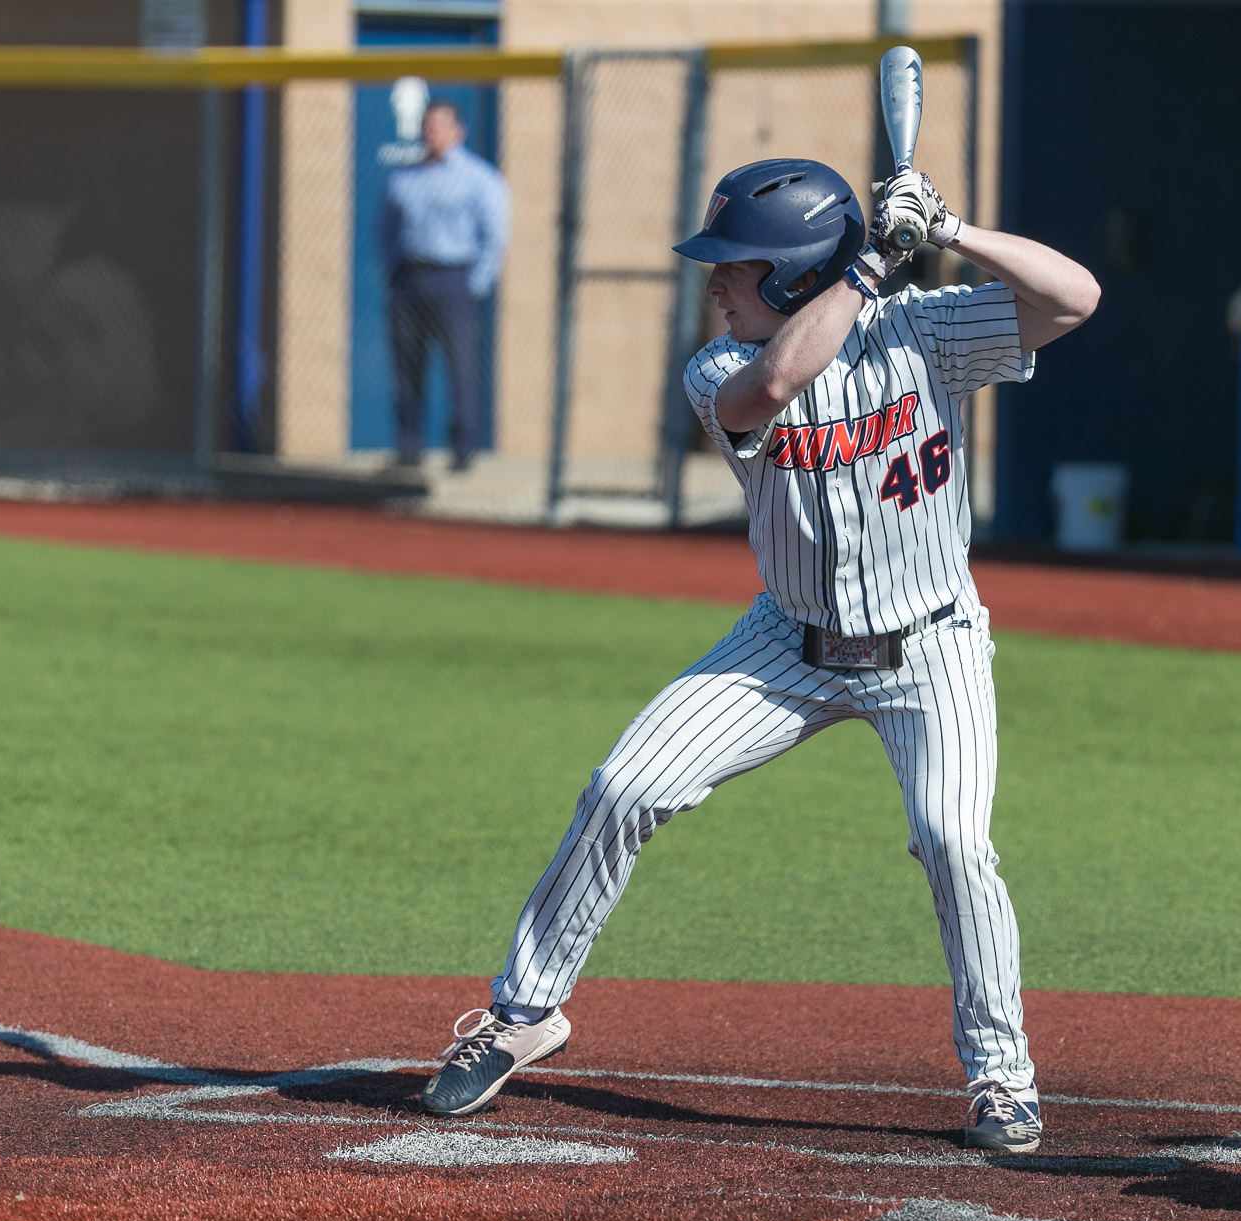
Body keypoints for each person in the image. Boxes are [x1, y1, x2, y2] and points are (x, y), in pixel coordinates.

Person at [417, 158, 1100, 1152]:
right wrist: (868, 270)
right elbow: (772, 386)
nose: (714, 283)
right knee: (624, 784)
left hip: (932, 641)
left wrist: (950, 225)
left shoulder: (926, 328)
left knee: (954, 840)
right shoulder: (717, 369)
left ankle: (1002, 1074)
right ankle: (526, 1011)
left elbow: (1074, 297)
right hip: (787, 640)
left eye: (734, 267)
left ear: (789, 274)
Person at [378, 98, 509, 470]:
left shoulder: (480, 178)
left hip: (455, 279)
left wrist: (475, 283)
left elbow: (495, 235)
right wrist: (392, 271)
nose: (430, 132)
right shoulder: (403, 176)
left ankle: (463, 451)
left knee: (460, 367)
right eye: (426, 125)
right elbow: (386, 229)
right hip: (408, 279)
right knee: (406, 371)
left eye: (439, 125)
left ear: (458, 132)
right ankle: (408, 450)